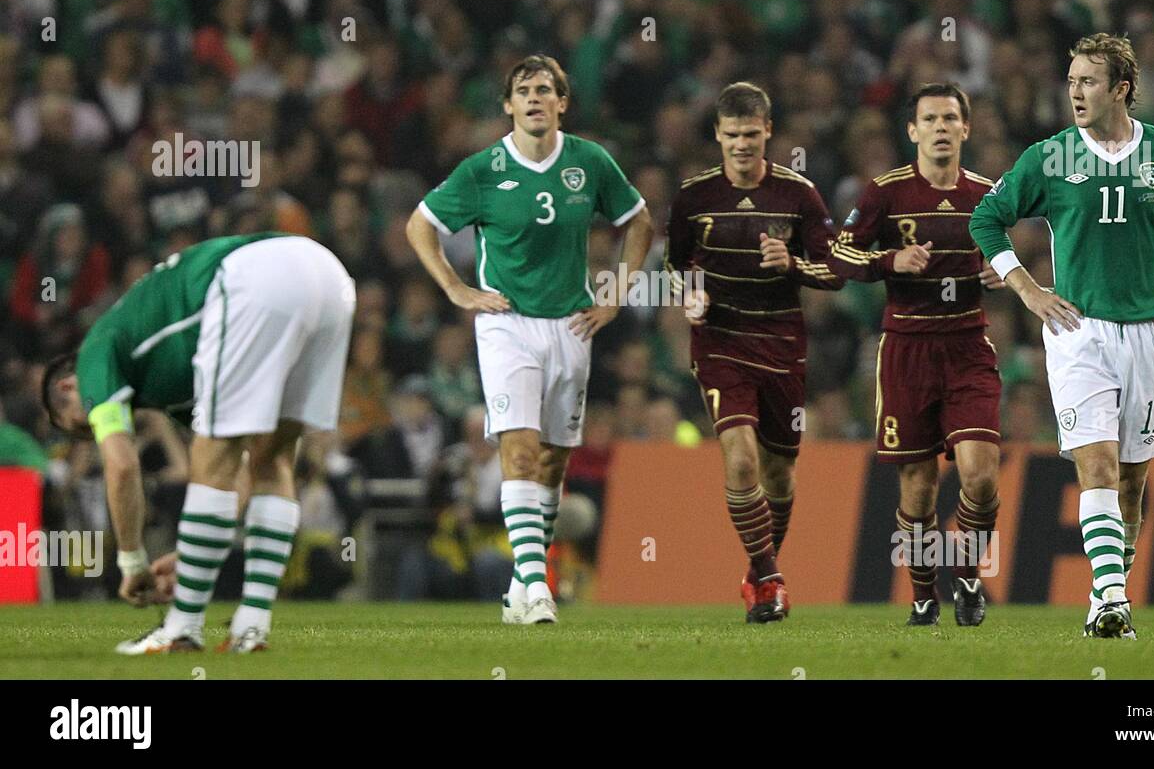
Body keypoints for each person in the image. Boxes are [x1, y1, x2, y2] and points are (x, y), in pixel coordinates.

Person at [969, 34, 1154, 638]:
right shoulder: (1052, 156)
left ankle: (1104, 595)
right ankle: (1114, 598)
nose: (1075, 92)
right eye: (1070, 81)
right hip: (1078, 333)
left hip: (1151, 335)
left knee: (1133, 482)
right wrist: (1030, 291)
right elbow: (987, 216)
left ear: (1121, 89)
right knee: (1098, 467)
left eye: (1088, 81)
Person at [406, 54, 653, 624]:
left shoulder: (589, 162)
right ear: (509, 106)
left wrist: (616, 293)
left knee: (552, 463)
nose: (535, 98)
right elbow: (419, 225)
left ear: (562, 102)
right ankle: (540, 586)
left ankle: (521, 582)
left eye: (546, 89)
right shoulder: (483, 169)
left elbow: (638, 221)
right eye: (524, 90)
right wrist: (455, 288)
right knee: (518, 449)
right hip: (506, 322)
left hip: (571, 324)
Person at [43, 232, 356, 653]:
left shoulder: (95, 352)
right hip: (329, 279)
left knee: (209, 455)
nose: (94, 431)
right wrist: (194, 560)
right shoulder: (170, 381)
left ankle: (183, 627)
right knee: (274, 459)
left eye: (82, 426)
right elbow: (240, 477)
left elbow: (121, 465)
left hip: (255, 277)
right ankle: (251, 626)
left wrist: (132, 561)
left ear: (68, 386)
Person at [819, 82, 1005, 626]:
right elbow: (837, 255)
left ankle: (966, 573)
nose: (942, 127)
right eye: (931, 119)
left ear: (966, 128)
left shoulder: (987, 195)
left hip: (968, 347)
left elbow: (1008, 255)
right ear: (913, 131)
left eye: (951, 117)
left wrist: (1000, 272)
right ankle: (924, 597)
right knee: (919, 488)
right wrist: (888, 262)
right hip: (906, 350)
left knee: (981, 476)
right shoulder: (886, 192)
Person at [664, 82, 842, 623]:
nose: (741, 145)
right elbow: (675, 265)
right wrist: (689, 294)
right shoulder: (694, 198)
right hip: (720, 341)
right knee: (739, 458)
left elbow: (836, 271)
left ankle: (759, 570)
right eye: (731, 136)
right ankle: (769, 578)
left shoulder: (799, 196)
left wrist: (790, 264)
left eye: (751, 134)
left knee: (779, 475)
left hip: (783, 344)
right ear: (717, 136)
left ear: (768, 131)